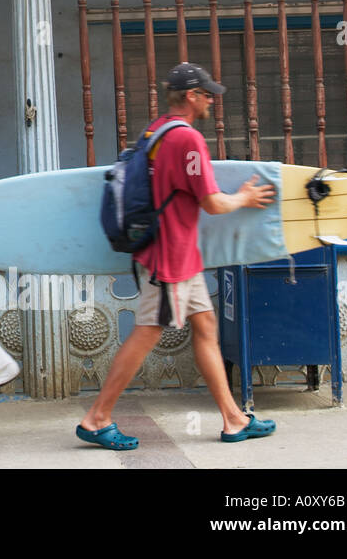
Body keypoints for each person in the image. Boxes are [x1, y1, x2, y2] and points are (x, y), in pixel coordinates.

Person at [77, 62, 278, 450]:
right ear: (191, 96)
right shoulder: (186, 139)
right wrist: (247, 198)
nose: (211, 102)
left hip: (182, 256)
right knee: (148, 332)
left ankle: (234, 419)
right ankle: (97, 417)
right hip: (169, 259)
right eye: (207, 95)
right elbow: (213, 203)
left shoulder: (156, 129)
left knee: (205, 327)